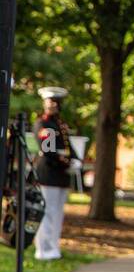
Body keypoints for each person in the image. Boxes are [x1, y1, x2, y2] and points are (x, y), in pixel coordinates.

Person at [33, 86, 76, 261]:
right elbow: (49, 150)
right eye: (49, 102)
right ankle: (43, 250)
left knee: (57, 213)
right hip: (49, 173)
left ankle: (53, 247)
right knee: (48, 212)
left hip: (61, 175)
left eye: (55, 103)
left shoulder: (60, 124)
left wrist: (75, 159)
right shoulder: (43, 124)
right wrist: (66, 162)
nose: (51, 105)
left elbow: (68, 147)